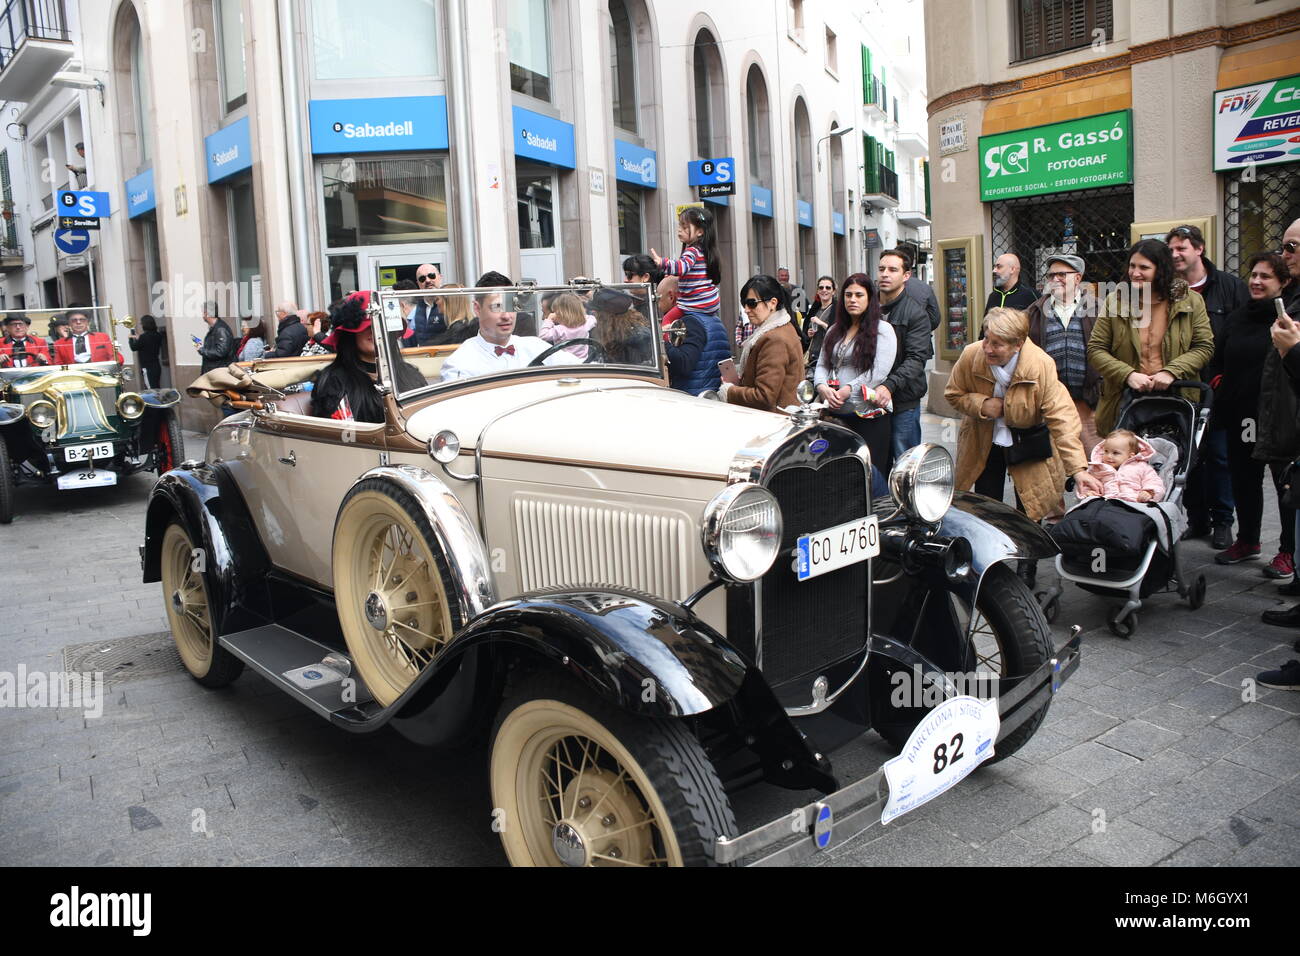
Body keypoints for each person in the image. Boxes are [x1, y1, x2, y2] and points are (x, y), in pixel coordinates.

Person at [945, 308, 1097, 585]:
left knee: (1030, 504)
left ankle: (1027, 566)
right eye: (986, 339)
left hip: (1029, 438)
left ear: (1018, 344)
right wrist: (981, 404)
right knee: (985, 503)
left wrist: (1079, 469)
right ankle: (987, 560)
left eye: (997, 344)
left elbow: (1063, 418)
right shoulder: (971, 355)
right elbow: (953, 394)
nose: (988, 348)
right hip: (983, 439)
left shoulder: (1040, 364)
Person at [1206, 252, 1296, 572]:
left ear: (1283, 282)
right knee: (1244, 477)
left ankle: (1288, 552)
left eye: (1266, 276)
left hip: (1277, 417)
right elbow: (1218, 358)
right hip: (1242, 415)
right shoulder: (1238, 316)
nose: (1256, 281)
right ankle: (1247, 540)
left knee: (1284, 484)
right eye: (1254, 274)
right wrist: (1220, 383)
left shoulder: (1288, 319)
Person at [1167, 225, 1247, 548]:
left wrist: (1227, 376)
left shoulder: (1229, 287)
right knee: (1187, 459)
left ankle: (1223, 522)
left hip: (1218, 389)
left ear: (1199, 249)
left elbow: (1242, 334)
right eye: (1171, 249)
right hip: (1181, 391)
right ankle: (1196, 519)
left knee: (1219, 457)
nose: (1175, 254)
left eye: (1181, 248)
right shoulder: (1167, 289)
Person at [1087, 238, 1214, 437]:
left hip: (1177, 397)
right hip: (1126, 400)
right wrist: (1128, 374)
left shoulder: (1190, 300)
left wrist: (1172, 372)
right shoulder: (1116, 300)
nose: (1135, 273)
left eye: (1144, 267)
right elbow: (1096, 349)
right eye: (1132, 266)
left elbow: (1204, 346)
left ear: (1161, 269)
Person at [813, 273, 898, 471]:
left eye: (859, 295)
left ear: (870, 298)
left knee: (870, 473)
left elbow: (878, 371)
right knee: (836, 472)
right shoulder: (834, 329)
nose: (852, 300)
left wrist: (848, 390)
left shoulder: (883, 330)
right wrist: (822, 387)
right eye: (848, 295)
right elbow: (822, 364)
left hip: (868, 416)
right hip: (834, 416)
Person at [1025, 253, 1102, 464]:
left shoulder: (1099, 308)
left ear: (1077, 278)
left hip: (1087, 401)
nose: (1054, 280)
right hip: (1050, 403)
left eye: (1061, 274)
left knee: (1095, 462)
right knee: (1052, 469)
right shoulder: (1034, 311)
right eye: (1051, 276)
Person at [311, 292, 422, 422]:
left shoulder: (410, 374)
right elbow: (344, 436)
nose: (375, 330)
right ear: (350, 335)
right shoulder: (334, 382)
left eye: (381, 324)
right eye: (366, 326)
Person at [439, 287, 578, 381]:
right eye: (497, 307)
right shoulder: (459, 363)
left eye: (512, 307)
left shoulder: (535, 346)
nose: (506, 316)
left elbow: (579, 368)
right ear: (477, 308)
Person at [876, 249, 933, 462]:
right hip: (870, 401)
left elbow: (916, 359)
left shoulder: (916, 314)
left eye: (892, 269)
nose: (885, 274)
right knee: (875, 464)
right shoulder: (867, 307)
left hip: (903, 402)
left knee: (905, 465)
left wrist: (889, 385)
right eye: (881, 269)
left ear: (906, 276)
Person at [718, 274, 803, 413]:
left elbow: (764, 397)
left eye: (752, 303)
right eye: (744, 303)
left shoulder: (775, 339)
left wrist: (730, 391)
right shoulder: (780, 329)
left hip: (774, 423)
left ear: (773, 303)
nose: (746, 309)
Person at [658, 275, 728, 395]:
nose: (658, 305)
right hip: (708, 395)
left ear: (671, 296)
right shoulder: (711, 318)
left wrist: (660, 339)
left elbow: (684, 363)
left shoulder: (690, 322)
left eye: (658, 298)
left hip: (694, 399)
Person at [650, 206, 722, 322]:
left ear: (700, 232)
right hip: (709, 301)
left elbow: (681, 267)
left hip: (694, 302)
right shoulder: (703, 251)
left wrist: (663, 263)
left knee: (666, 320)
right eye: (679, 226)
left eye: (684, 227)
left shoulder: (692, 251)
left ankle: (666, 340)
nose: (679, 230)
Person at [1080, 429, 1165, 503]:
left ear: (1131, 455)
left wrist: (1149, 492)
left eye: (1115, 453)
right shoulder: (1098, 468)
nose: (1109, 456)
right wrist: (1089, 493)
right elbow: (1088, 483)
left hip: (1133, 503)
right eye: (1106, 451)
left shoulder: (1141, 467)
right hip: (1104, 503)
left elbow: (1154, 481)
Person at [591, 287, 653, 365]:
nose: (594, 315)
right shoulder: (597, 332)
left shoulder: (639, 338)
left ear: (605, 316)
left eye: (597, 312)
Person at [53, 308, 122, 364]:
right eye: (74, 320)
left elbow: (117, 357)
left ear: (87, 322)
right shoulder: (60, 343)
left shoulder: (102, 337)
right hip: (74, 376)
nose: (78, 322)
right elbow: (58, 365)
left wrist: (109, 365)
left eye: (82, 320)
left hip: (99, 374)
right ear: (69, 323)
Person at [539, 292, 596, 359]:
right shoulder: (586, 324)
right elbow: (592, 319)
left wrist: (549, 320)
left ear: (560, 314)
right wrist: (578, 315)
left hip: (565, 364)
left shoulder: (559, 330)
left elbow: (543, 336)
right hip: (583, 362)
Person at [407, 263, 447, 345]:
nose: (428, 280)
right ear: (418, 283)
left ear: (440, 277)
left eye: (431, 276)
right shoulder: (417, 309)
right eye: (422, 278)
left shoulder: (449, 303)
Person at [803, 275, 836, 373]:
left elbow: (838, 332)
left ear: (833, 291)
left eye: (828, 287)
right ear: (817, 291)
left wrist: (821, 323)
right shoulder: (814, 309)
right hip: (812, 356)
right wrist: (808, 333)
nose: (824, 290)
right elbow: (805, 331)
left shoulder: (837, 309)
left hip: (828, 358)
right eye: (821, 288)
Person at [194, 301, 235, 373]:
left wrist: (201, 350)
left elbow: (220, 352)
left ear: (207, 313)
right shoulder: (215, 328)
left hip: (219, 372)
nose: (202, 315)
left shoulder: (221, 329)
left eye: (203, 313)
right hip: (214, 371)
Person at [126, 314, 165, 386]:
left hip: (147, 367)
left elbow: (133, 347)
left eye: (141, 324)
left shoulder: (143, 337)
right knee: (156, 387)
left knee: (150, 389)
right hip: (156, 365)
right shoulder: (158, 335)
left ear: (145, 325)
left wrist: (130, 338)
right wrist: (139, 338)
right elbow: (148, 343)